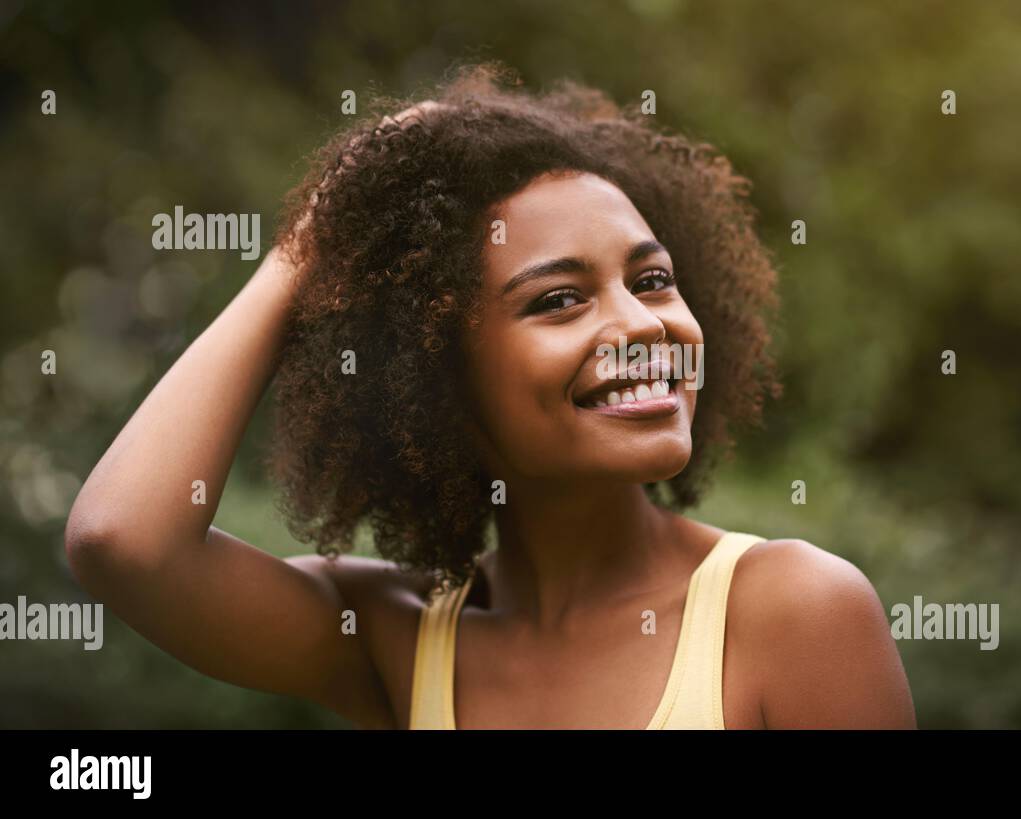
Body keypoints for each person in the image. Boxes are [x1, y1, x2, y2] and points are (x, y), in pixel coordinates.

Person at [64, 62, 915, 729]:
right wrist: (313, 245)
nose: (642, 326)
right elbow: (123, 539)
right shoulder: (394, 640)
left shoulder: (793, 610)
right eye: (558, 299)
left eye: (652, 280)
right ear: (437, 371)